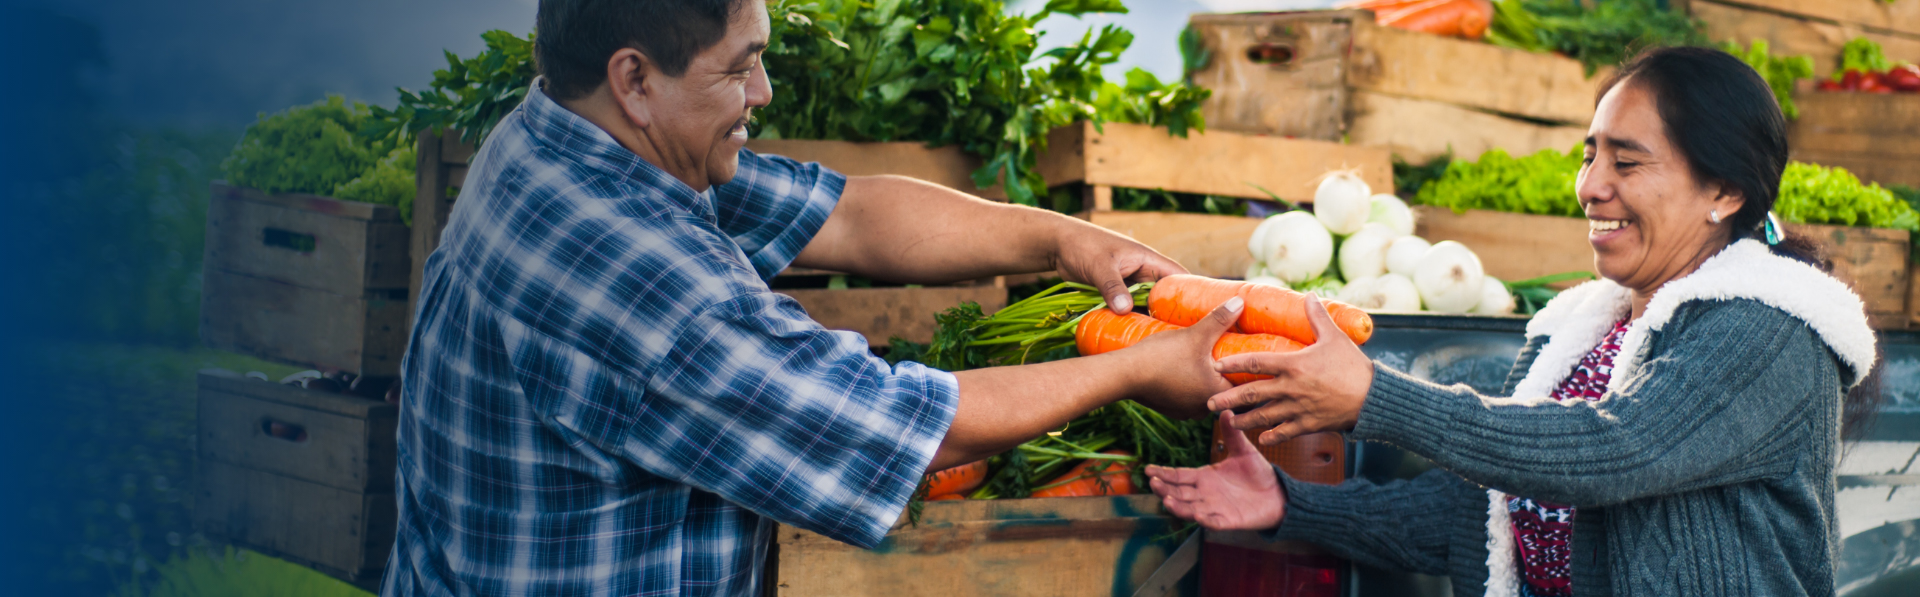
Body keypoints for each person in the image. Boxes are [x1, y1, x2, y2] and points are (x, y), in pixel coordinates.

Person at [381, 1, 1236, 595]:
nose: (762, 93)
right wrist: (1136, 366)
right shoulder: (644, 279)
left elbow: (851, 215)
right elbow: (903, 428)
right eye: (739, 68)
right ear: (634, 79)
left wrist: (1063, 239)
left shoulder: (557, 138)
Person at [1146, 46, 1882, 597]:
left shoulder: (1769, 329)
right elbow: (1479, 521)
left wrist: (1378, 396)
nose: (1590, 187)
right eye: (1590, 156)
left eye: (1626, 163)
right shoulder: (1577, 332)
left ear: (1723, 191)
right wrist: (1290, 502)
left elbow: (1617, 450)